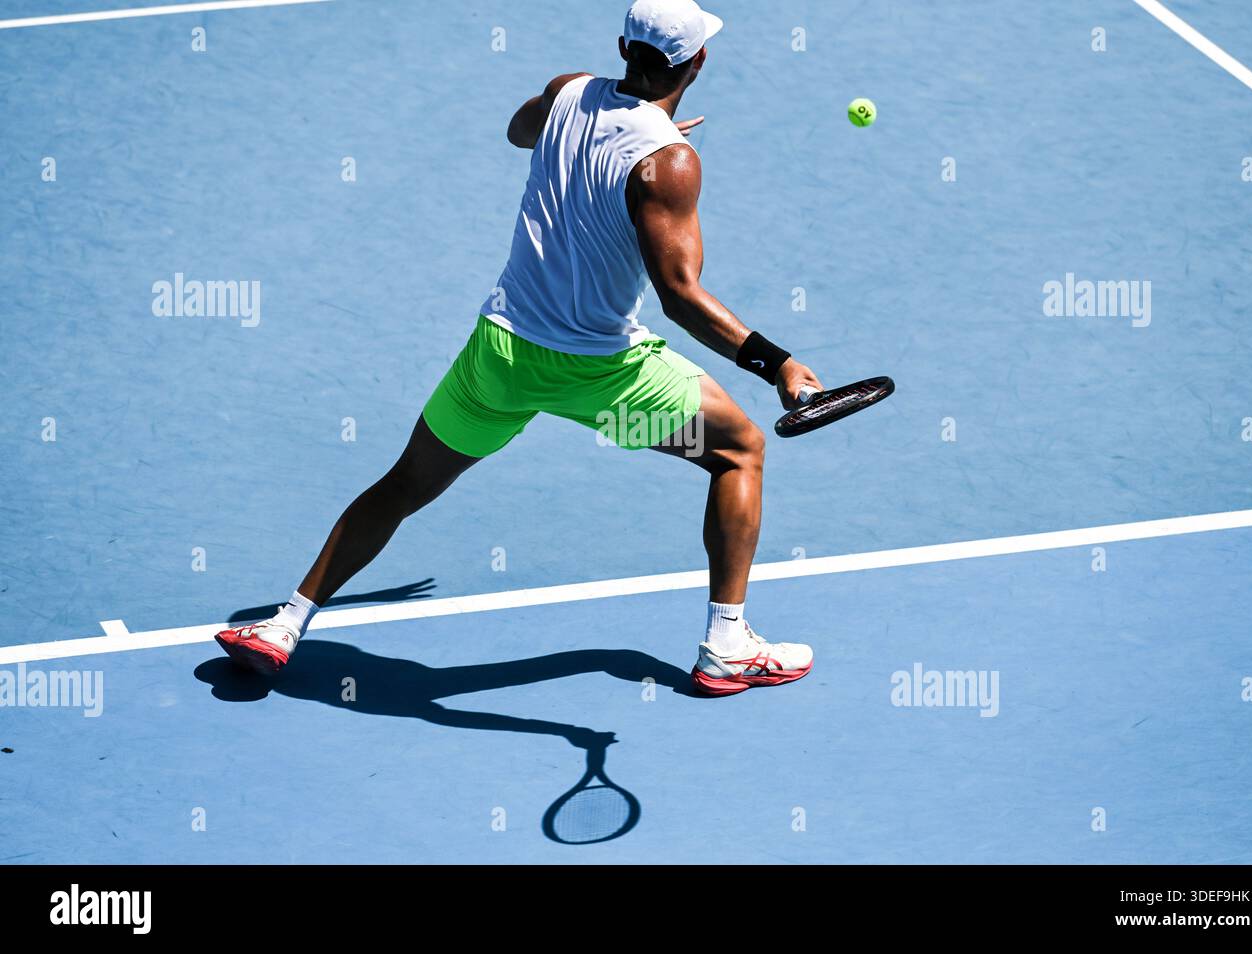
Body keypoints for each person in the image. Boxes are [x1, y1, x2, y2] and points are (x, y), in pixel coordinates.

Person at [216, 0, 823, 696]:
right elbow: (679, 295)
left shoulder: (568, 91)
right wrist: (775, 363)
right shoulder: (671, 164)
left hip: (498, 361)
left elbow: (520, 131)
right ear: (698, 62)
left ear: (624, 47)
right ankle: (726, 645)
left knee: (406, 483)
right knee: (737, 450)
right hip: (605, 383)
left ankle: (283, 625)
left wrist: (615, 139)